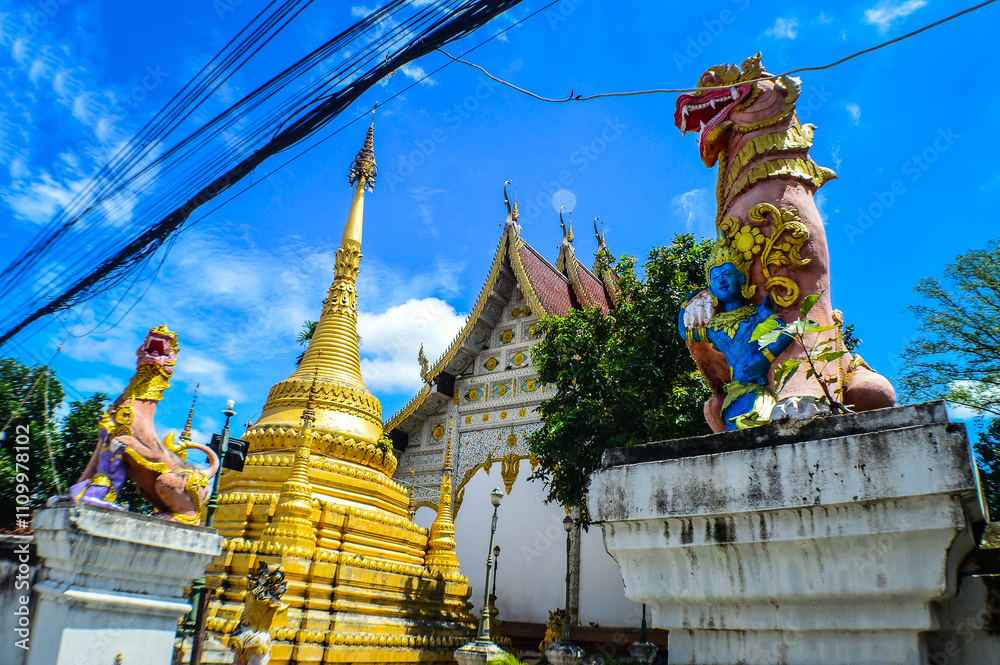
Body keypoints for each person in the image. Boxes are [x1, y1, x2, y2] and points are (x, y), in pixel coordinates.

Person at [678, 244, 793, 430]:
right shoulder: (714, 328)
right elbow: (686, 334)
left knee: (753, 426)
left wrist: (764, 358)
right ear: (711, 289)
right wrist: (686, 303)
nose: (721, 281)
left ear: (741, 278)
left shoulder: (758, 313)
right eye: (715, 278)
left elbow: (786, 332)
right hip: (734, 393)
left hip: (757, 389)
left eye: (727, 274)